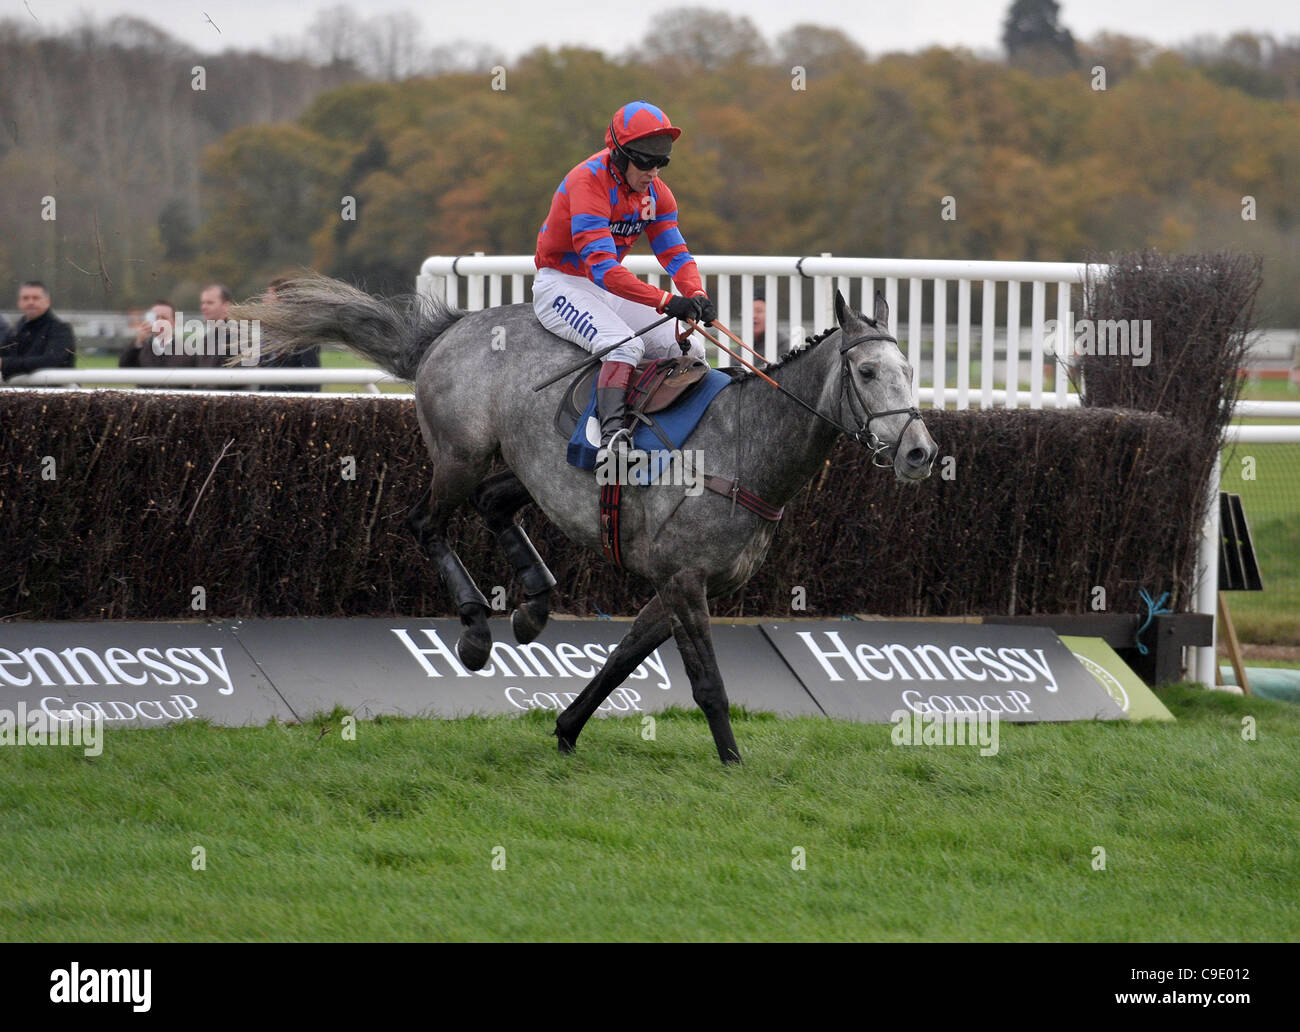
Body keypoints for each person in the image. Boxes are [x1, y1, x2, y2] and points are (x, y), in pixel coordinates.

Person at [533, 101, 716, 459]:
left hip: (606, 289)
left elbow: (675, 253)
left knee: (692, 349)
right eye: (646, 161)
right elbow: (601, 267)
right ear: (619, 154)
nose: (654, 172)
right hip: (562, 284)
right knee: (625, 346)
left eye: (662, 161)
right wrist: (665, 301)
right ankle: (612, 435)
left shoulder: (656, 194)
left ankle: (685, 428)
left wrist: (694, 292)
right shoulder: (587, 182)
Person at [0, 282, 77, 382]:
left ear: (47, 301)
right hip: (24, 392)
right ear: (19, 302)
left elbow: (50, 361)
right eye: (25, 298)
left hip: (58, 393)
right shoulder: (16, 330)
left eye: (36, 298)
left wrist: (4, 364)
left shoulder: (60, 329)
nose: (30, 302)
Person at [257, 277, 321, 391]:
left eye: (269, 295)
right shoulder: (265, 331)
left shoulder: (304, 334)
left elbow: (311, 376)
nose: (264, 299)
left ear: (283, 300)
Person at [752, 285, 790, 359]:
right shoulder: (741, 348)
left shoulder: (785, 346)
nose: (753, 316)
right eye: (749, 311)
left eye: (758, 311)